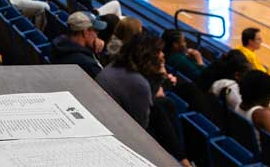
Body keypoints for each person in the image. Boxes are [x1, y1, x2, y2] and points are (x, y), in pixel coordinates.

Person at [97, 32, 193, 167]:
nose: (163, 54)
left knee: (164, 105)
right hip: (119, 138)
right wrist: (160, 77)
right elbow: (142, 125)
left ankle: (183, 159)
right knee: (160, 111)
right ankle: (183, 161)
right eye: (159, 51)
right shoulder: (138, 83)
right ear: (148, 55)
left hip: (107, 121)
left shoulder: (116, 65)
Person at [51, 12, 106, 79]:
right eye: (96, 31)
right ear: (85, 32)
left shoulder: (59, 43)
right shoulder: (88, 65)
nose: (97, 35)